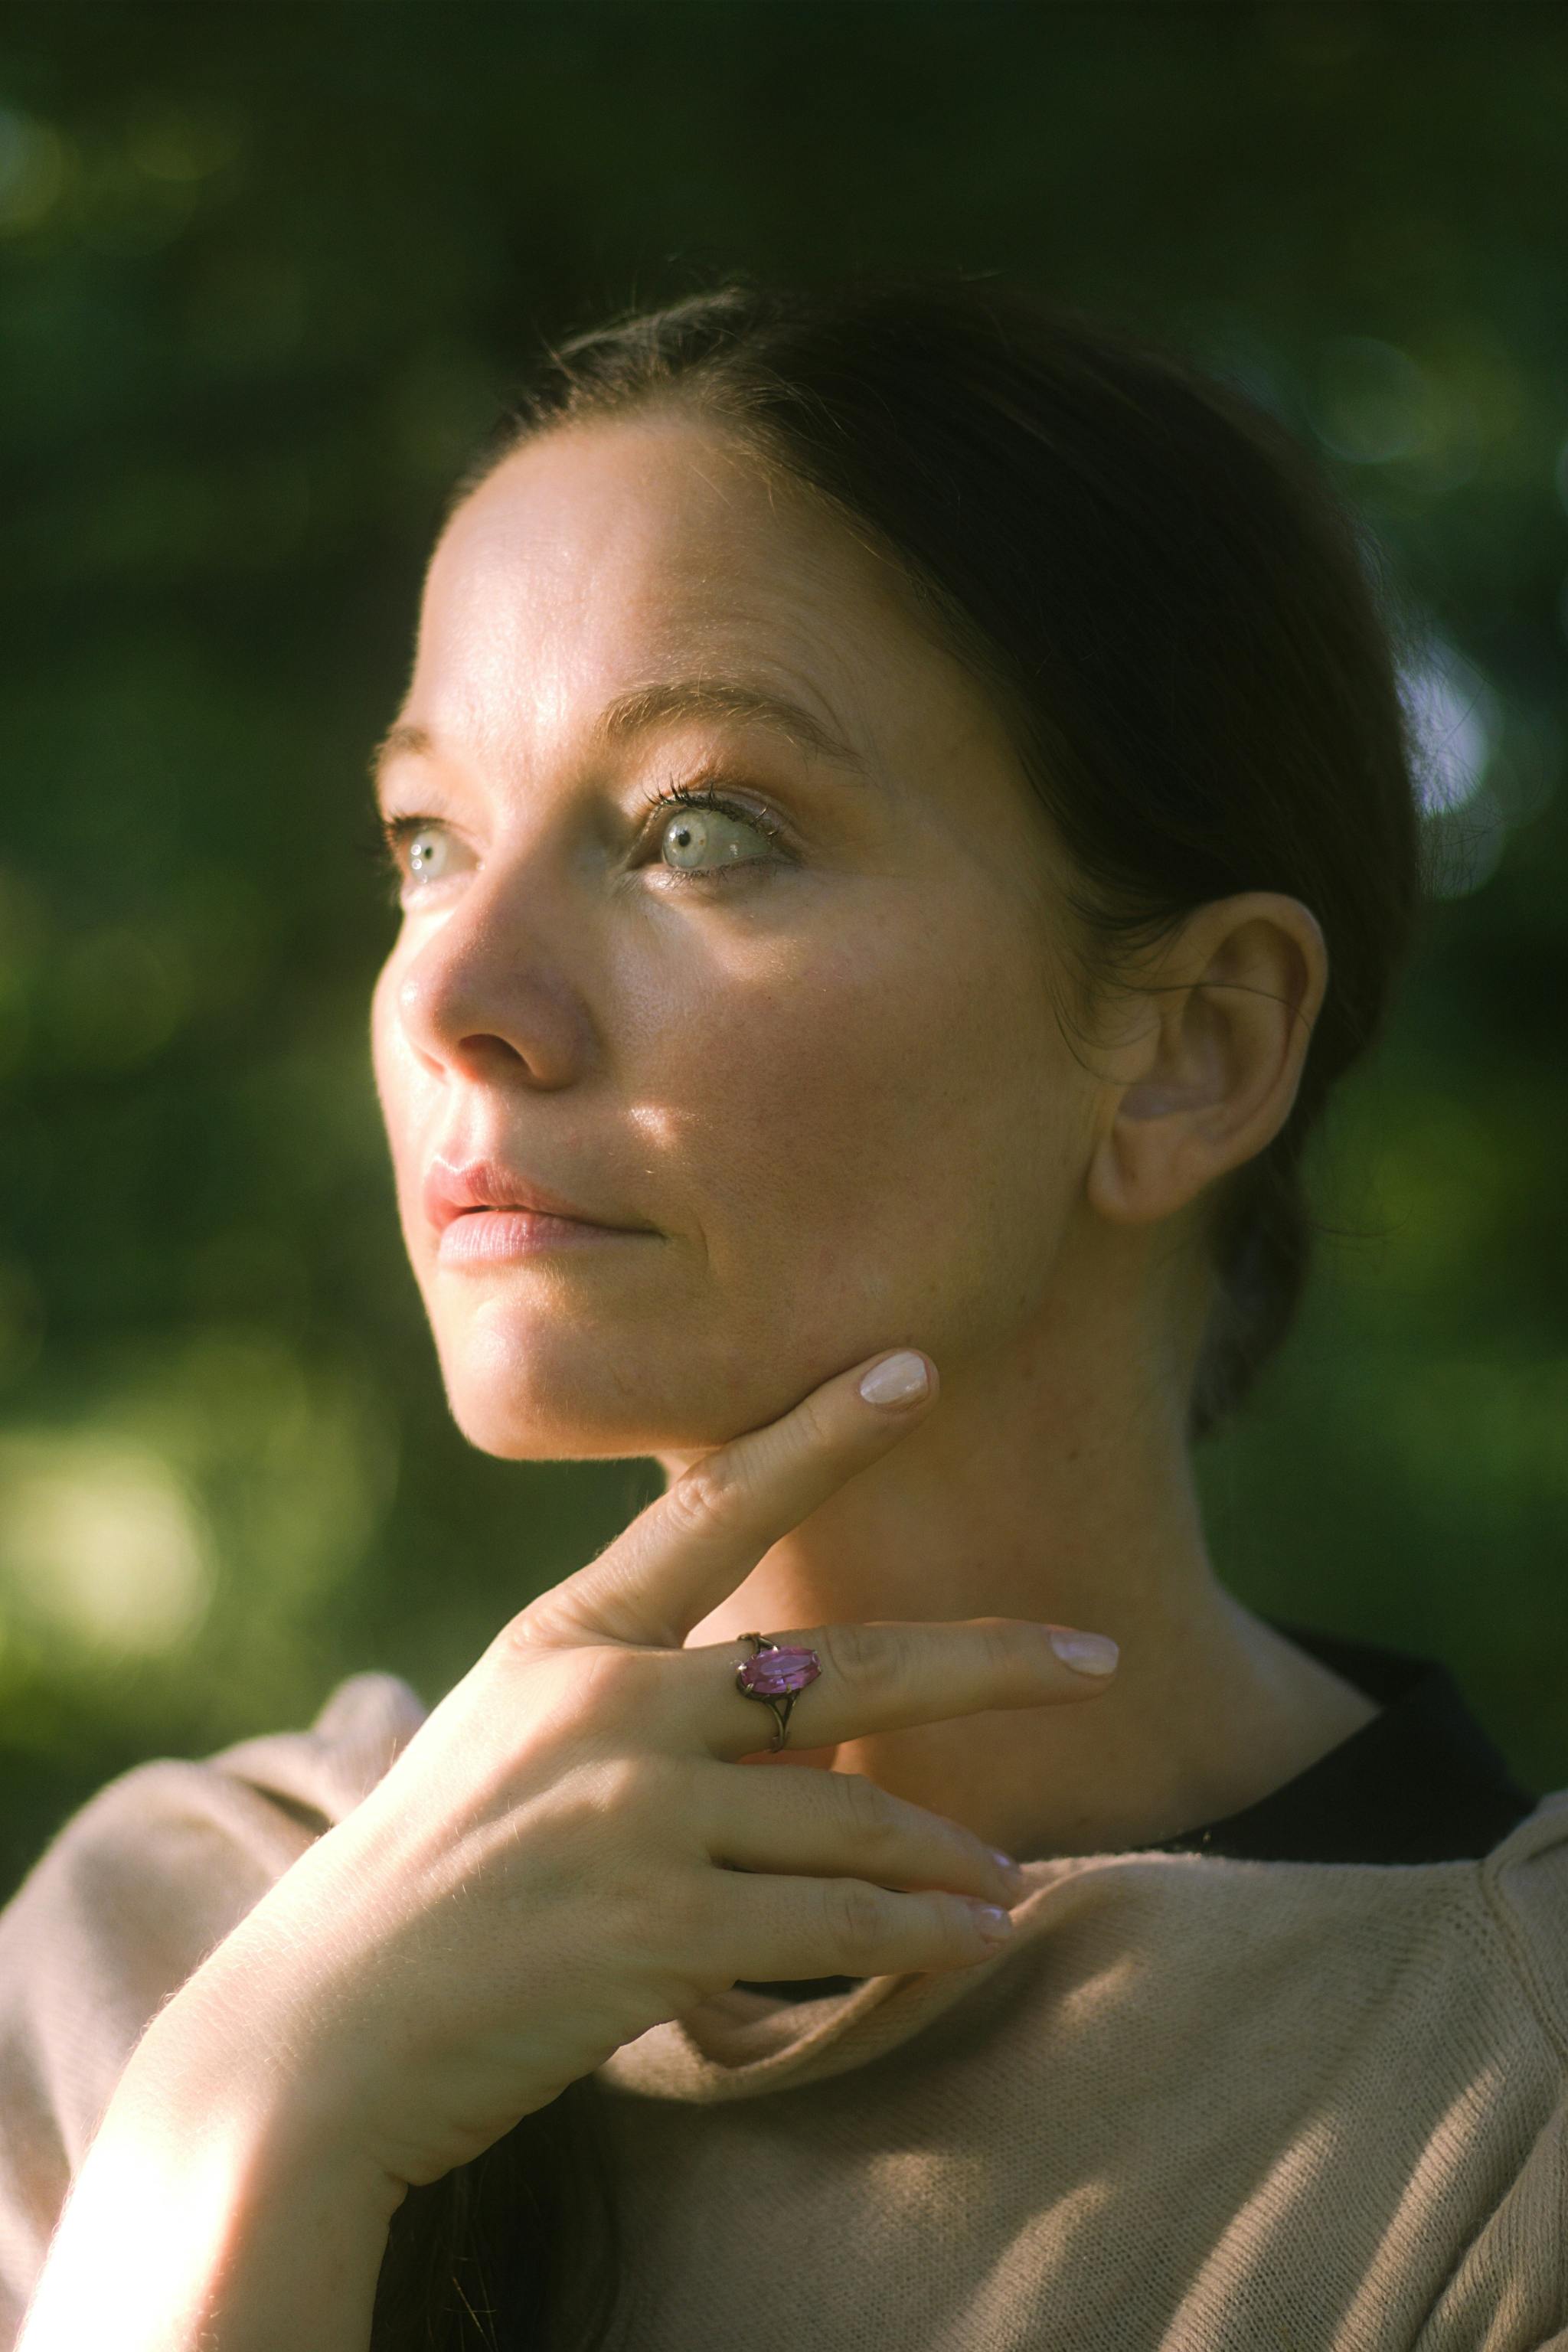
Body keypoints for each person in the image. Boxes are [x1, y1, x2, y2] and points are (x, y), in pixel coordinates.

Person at [1, 273, 1560, 2352]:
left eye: (698, 831)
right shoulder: (158, 1947)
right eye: (427, 840)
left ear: (1189, 1045)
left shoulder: (1501, 2113)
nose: (459, 994)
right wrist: (250, 2109)